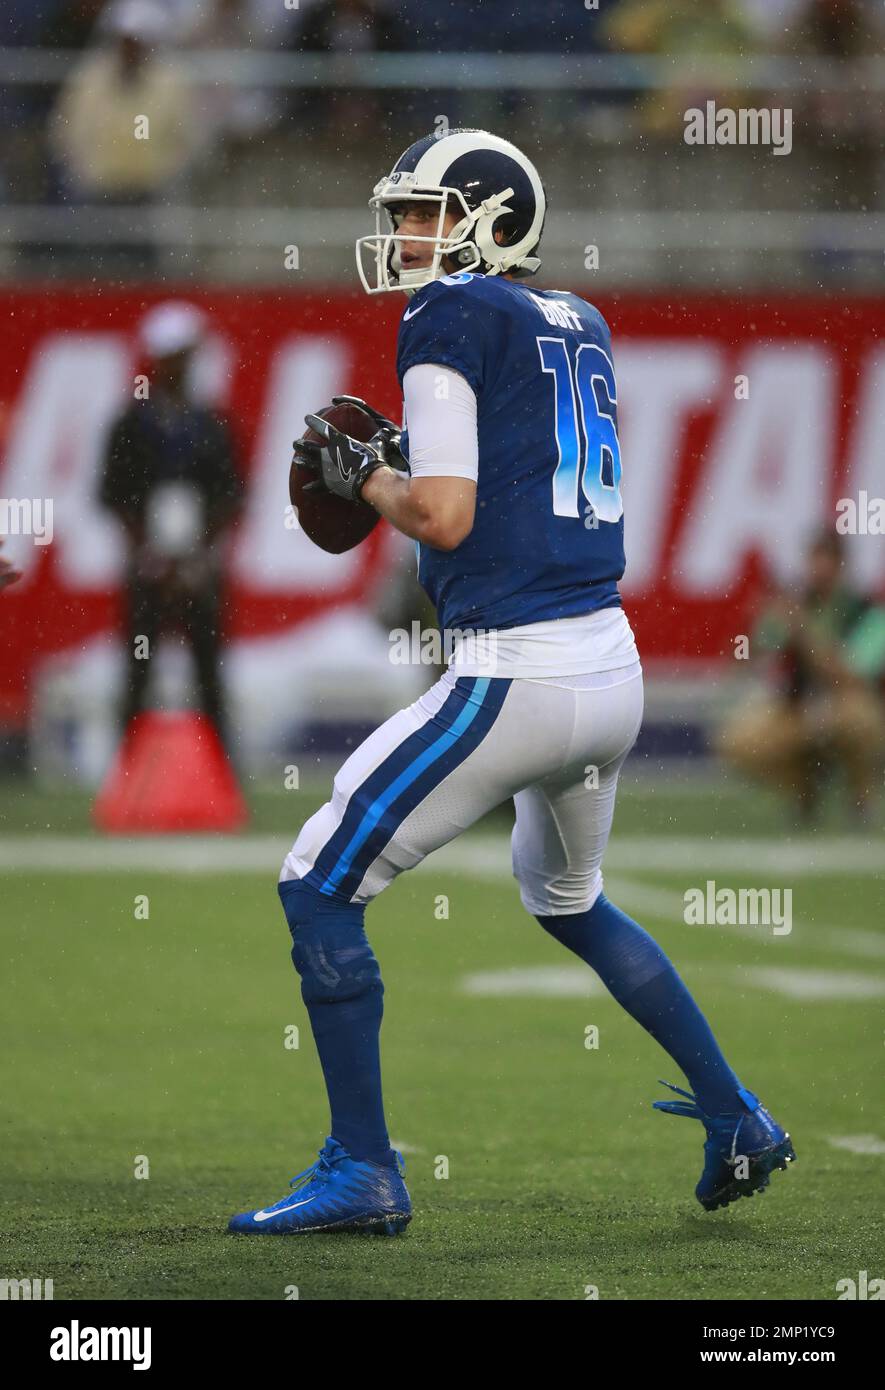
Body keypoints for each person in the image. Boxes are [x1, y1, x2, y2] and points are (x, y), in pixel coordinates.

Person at [228, 129, 795, 1238]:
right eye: (402, 212)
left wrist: (375, 475)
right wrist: (403, 463)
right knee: (571, 900)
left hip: (518, 671)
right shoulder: (580, 319)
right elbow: (513, 473)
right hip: (610, 665)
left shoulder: (448, 313)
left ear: (489, 218)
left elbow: (444, 514)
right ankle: (736, 1115)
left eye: (428, 211)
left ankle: (362, 1169)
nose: (404, 234)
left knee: (314, 880)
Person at [99, 300, 243, 750]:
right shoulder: (130, 424)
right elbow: (113, 494)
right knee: (137, 673)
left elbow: (231, 495)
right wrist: (148, 553)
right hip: (148, 566)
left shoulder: (211, 423)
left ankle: (223, 777)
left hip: (200, 567)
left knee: (209, 674)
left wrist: (199, 556)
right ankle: (126, 777)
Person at [719, 529, 885, 823]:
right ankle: (803, 789)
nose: (820, 569)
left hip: (848, 706)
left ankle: (860, 794)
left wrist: (803, 633)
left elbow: (850, 676)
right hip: (798, 707)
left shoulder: (866, 612)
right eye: (815, 559)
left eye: (828, 560)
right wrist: (753, 629)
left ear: (842, 564)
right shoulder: (794, 606)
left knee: (856, 721)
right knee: (740, 742)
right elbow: (745, 659)